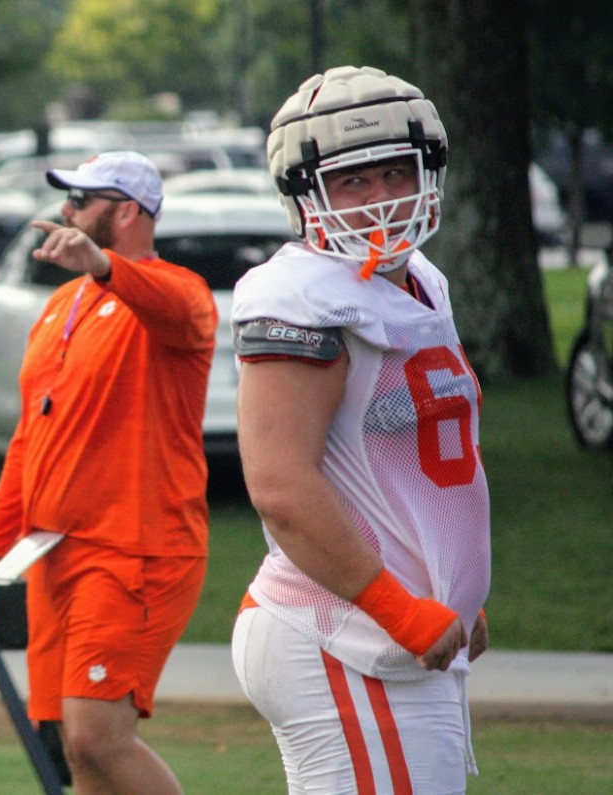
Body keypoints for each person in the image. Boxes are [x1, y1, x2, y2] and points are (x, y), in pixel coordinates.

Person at [229, 65, 491, 794]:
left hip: (386, 634)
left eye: (394, 173)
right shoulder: (303, 296)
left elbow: (412, 459)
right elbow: (280, 485)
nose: (379, 200)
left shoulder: (416, 280)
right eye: (353, 182)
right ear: (306, 195)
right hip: (346, 633)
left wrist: (457, 587)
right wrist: (401, 608)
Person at [0, 151, 217, 795]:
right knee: (76, 753)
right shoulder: (59, 308)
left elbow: (173, 308)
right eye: (67, 200)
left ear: (128, 211)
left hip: (135, 548)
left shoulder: (176, 291)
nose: (66, 212)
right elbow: (30, 437)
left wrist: (103, 266)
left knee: (96, 734)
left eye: (82, 200)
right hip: (55, 552)